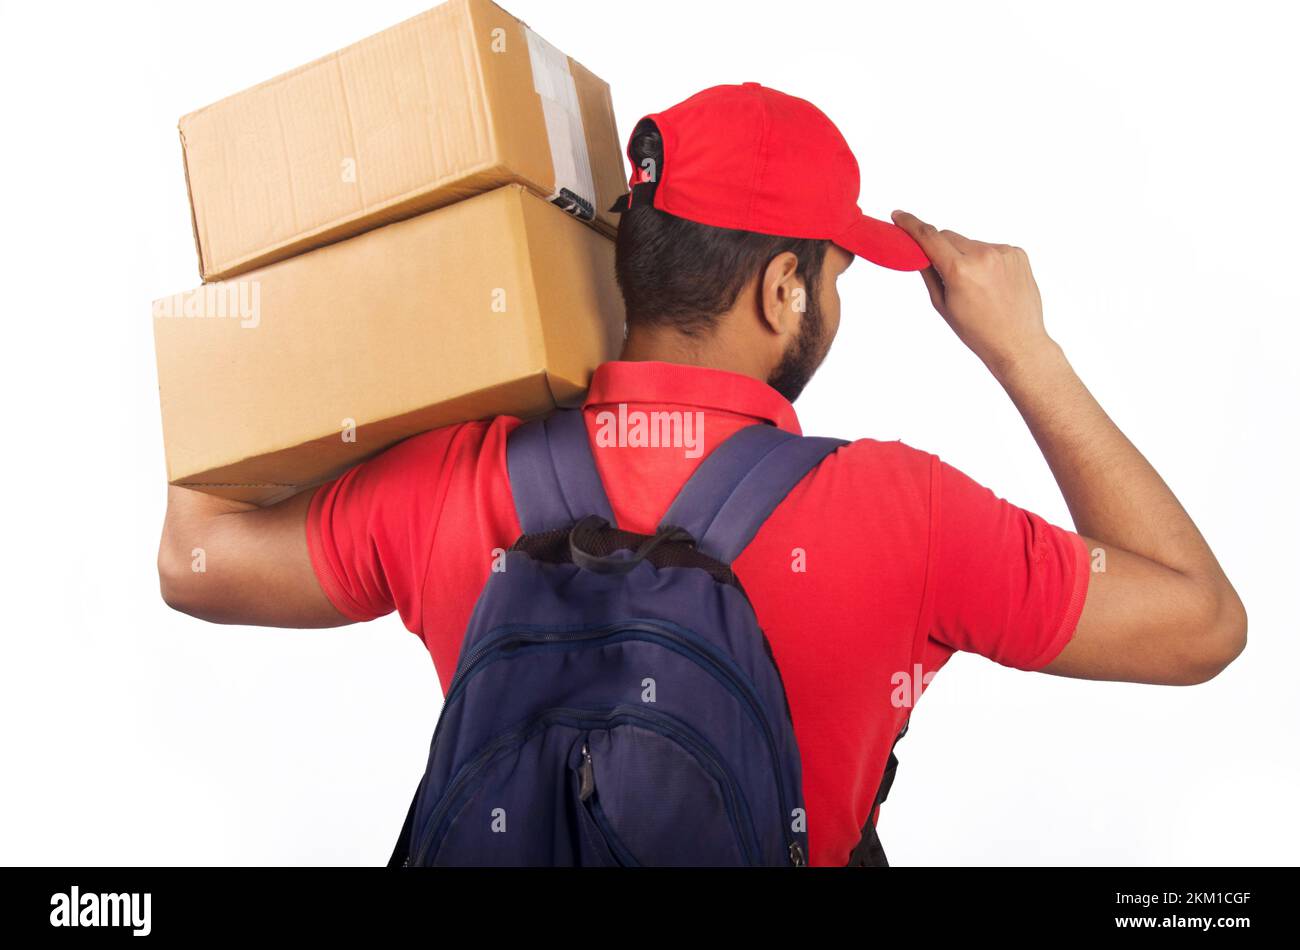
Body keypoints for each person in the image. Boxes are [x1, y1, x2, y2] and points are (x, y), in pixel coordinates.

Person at [157, 83, 1246, 865]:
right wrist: (1024, 348)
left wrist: (330, 294)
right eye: (834, 276)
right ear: (783, 290)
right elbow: (1200, 621)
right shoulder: (903, 513)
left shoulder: (453, 474)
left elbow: (194, 556)